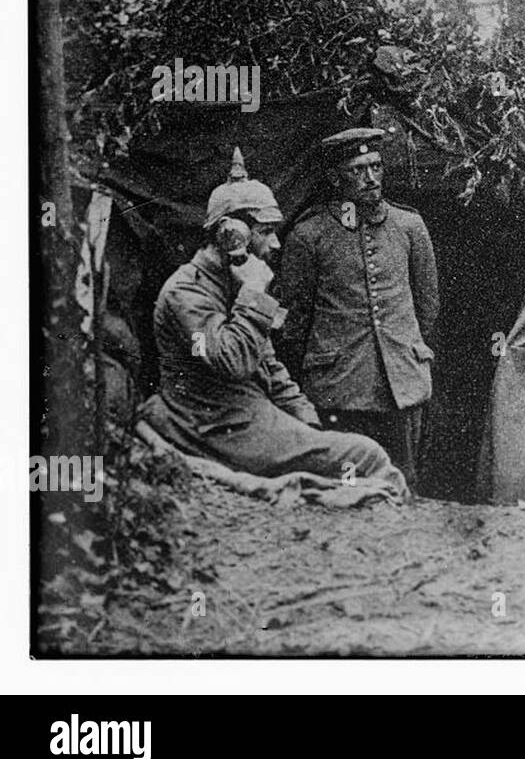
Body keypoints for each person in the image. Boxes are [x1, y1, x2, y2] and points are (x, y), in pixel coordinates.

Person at [139, 148, 407, 499]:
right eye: (265, 232)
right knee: (363, 456)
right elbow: (231, 361)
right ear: (232, 233)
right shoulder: (185, 293)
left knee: (351, 451)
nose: (275, 243)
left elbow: (269, 365)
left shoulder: (232, 283)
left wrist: (305, 420)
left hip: (243, 416)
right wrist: (253, 293)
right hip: (208, 423)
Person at [276, 128, 440, 490]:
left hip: (400, 380)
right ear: (335, 178)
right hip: (339, 384)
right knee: (345, 481)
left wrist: (411, 354)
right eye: (357, 170)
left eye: (376, 167)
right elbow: (296, 317)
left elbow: (427, 304)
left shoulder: (409, 226)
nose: (370, 179)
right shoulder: (310, 235)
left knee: (401, 477)